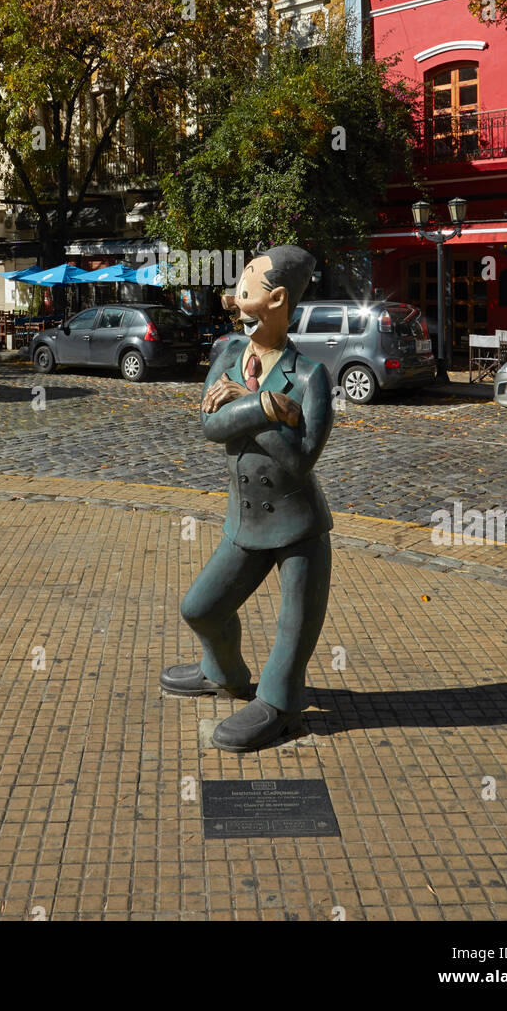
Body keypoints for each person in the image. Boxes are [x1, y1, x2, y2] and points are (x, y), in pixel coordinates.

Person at [160, 246, 334, 753]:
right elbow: (210, 424)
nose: (234, 299)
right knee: (201, 608)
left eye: (246, 290)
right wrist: (261, 405)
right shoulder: (230, 355)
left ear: (277, 298)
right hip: (245, 522)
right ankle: (224, 671)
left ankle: (278, 704)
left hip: (298, 524)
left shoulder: (309, 378)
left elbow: (300, 459)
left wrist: (249, 403)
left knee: (294, 622)